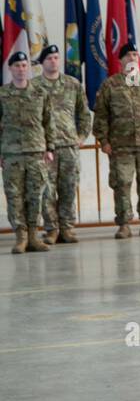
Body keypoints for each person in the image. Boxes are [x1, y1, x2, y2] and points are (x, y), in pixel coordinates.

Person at [92, 43, 140, 238]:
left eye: (135, 54)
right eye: (128, 55)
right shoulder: (110, 85)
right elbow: (101, 116)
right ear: (121, 60)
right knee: (122, 183)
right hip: (120, 145)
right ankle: (124, 223)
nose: (133, 58)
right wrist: (104, 140)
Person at [34, 43, 91, 243]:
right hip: (43, 148)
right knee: (46, 190)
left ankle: (67, 228)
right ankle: (51, 229)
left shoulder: (72, 84)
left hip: (68, 146)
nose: (54, 61)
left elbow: (84, 113)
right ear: (42, 63)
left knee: (68, 188)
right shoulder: (34, 86)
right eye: (49, 58)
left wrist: (81, 137)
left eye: (56, 57)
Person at [0, 51, 55, 254]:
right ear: (10, 69)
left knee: (36, 196)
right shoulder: (2, 95)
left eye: (24, 66)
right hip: (11, 153)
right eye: (17, 66)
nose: (21, 69)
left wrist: (50, 148)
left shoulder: (40, 93)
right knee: (14, 196)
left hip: (36, 153)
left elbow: (49, 122)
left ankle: (33, 236)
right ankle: (20, 237)